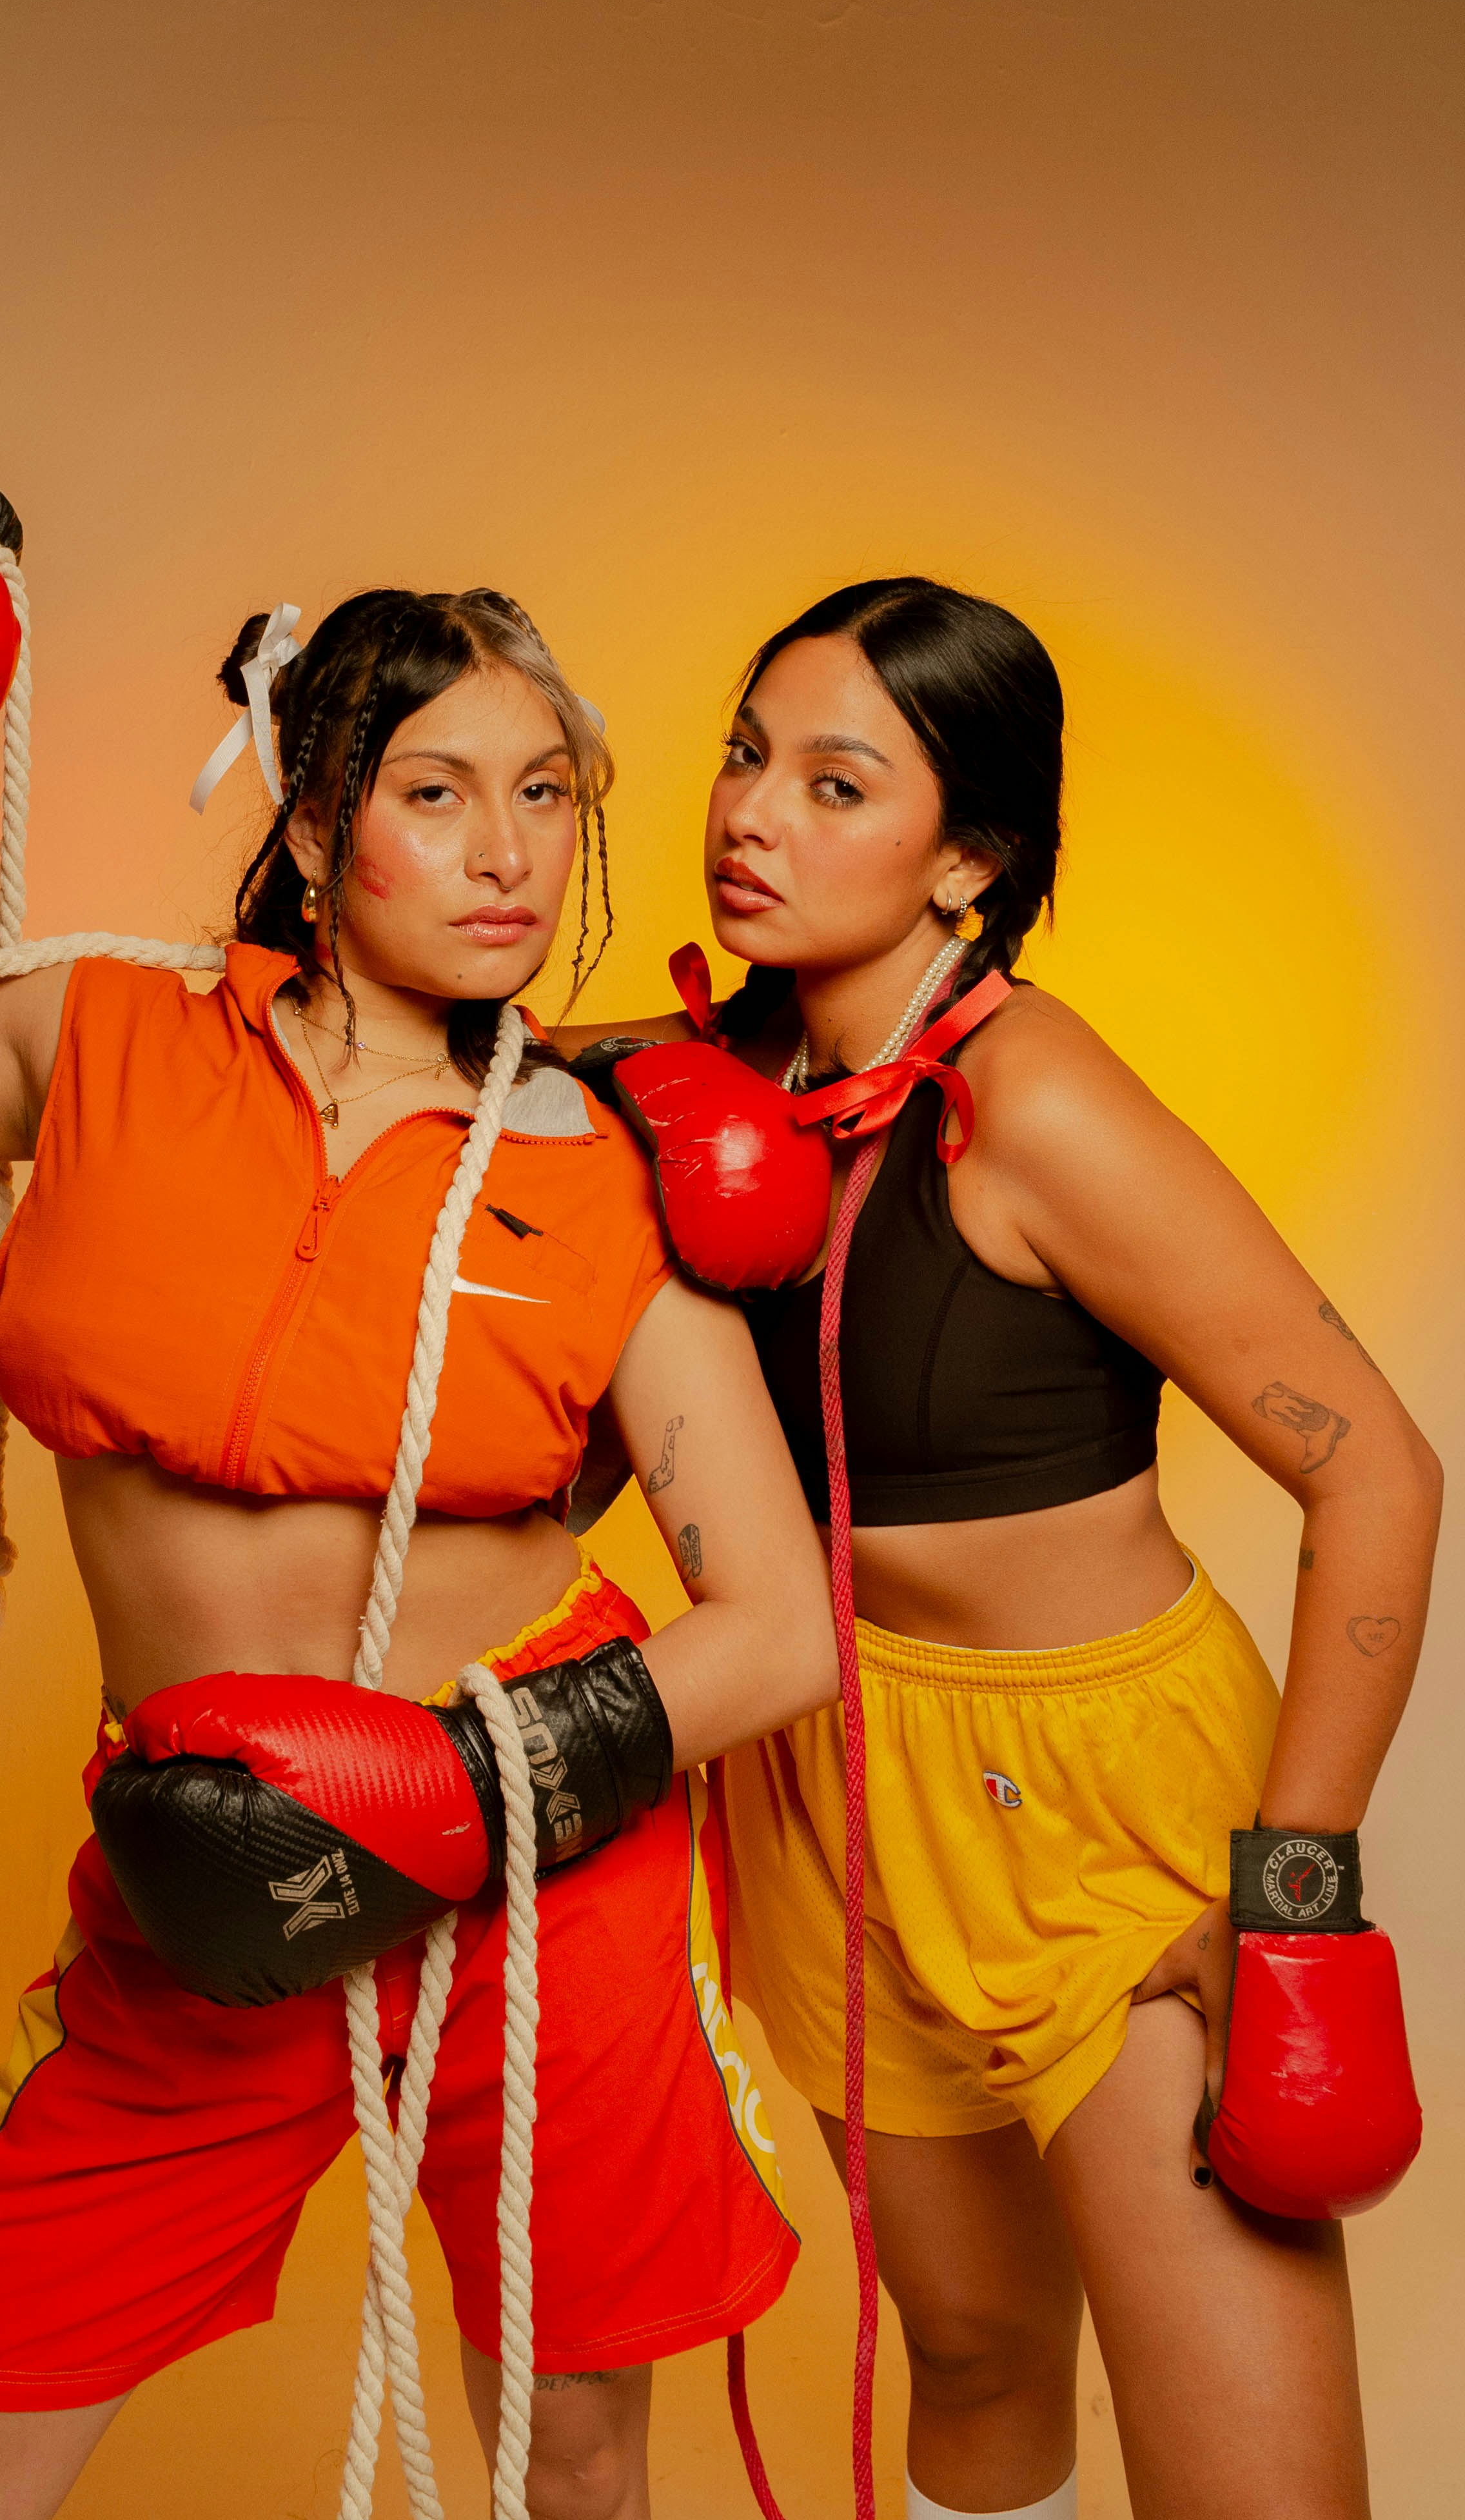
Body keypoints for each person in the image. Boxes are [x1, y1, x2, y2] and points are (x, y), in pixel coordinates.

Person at [0, 437, 839, 2520]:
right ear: (313, 818)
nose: (505, 854)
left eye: (543, 795)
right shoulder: (96, 1042)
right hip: (207, 1893)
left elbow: (781, 1628)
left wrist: (466, 1795)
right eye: (435, 791)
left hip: (554, 1903)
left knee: (573, 2457)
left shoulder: (605, 1175)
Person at [555, 577, 1439, 2520]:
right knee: (966, 2358)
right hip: (831, 1784)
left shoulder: (1039, 1106)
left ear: (970, 856)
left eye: (836, 781)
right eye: (744, 754)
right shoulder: (701, 1084)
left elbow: (1378, 1467)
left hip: (1108, 1833)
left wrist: (1286, 1903)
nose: (751, 816)